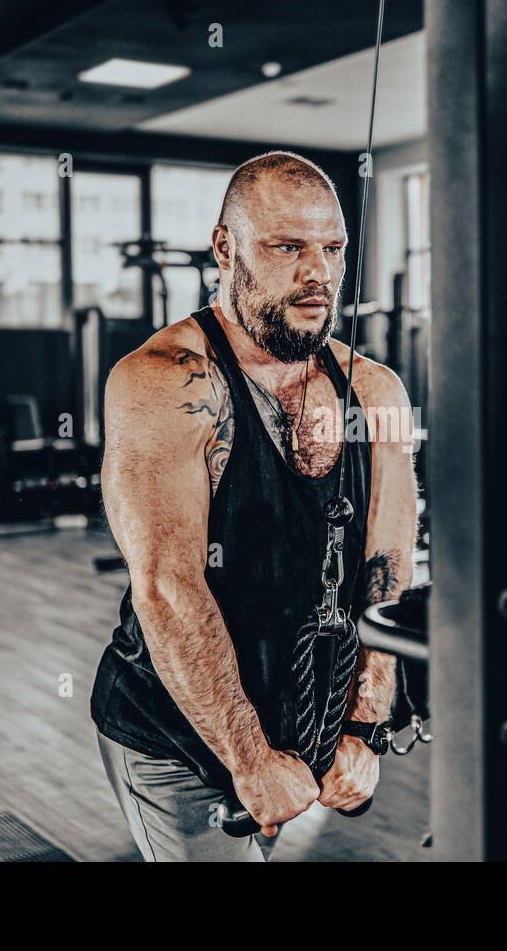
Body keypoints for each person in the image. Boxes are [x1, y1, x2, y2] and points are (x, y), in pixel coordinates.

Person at [90, 151, 419, 861]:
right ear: (225, 248)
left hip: (308, 729)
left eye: (332, 248)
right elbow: (169, 587)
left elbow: (389, 568)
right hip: (179, 728)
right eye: (287, 247)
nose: (319, 274)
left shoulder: (376, 393)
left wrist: (364, 725)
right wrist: (247, 757)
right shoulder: (162, 383)